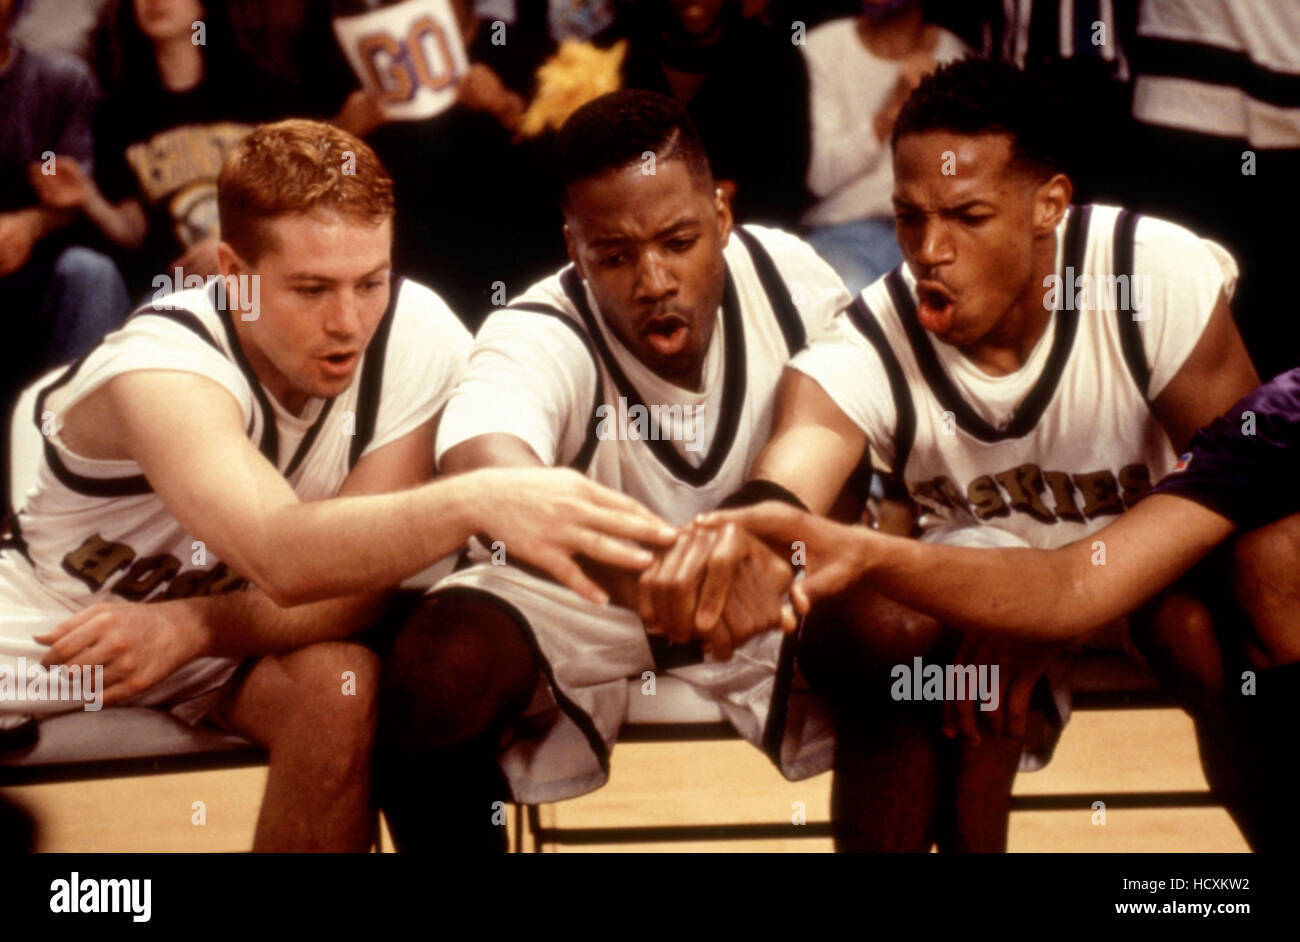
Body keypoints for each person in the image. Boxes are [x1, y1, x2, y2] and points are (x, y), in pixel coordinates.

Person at [633, 57, 1260, 852]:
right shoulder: (868, 339)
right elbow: (791, 470)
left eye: (967, 216)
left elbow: (1248, 499)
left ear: (1049, 207)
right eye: (908, 217)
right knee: (906, 639)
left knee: (1219, 626)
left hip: (1145, 581)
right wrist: (738, 538)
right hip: (977, 597)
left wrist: (1056, 613)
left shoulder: (1144, 274)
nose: (930, 250)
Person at [0, 119, 677, 851]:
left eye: (370, 281)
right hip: (52, 625)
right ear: (234, 274)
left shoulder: (419, 337)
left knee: (339, 687)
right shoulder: (160, 368)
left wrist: (193, 627)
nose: (348, 322)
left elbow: (348, 592)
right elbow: (284, 554)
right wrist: (477, 497)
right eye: (312, 288)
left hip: (226, 636)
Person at [373, 89, 852, 851]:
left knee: (901, 632)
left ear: (722, 217)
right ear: (575, 247)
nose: (653, 279)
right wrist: (658, 570)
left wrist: (766, 548)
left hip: (768, 588)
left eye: (678, 240)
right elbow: (485, 467)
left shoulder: (791, 276)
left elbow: (846, 430)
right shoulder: (536, 330)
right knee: (436, 671)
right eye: (615, 254)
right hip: (596, 594)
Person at [699, 364, 1300, 848]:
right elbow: (1075, 584)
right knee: (1256, 570)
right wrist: (868, 554)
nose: (932, 249)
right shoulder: (1273, 423)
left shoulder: (1160, 282)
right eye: (912, 220)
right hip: (1044, 575)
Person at [0, 0, 129, 403]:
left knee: (91, 274)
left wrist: (29, 224)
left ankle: (80, 447)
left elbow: (76, 189)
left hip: (32, 273)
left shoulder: (60, 81)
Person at [801, 0, 967, 295]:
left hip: (932, 233)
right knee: (847, 302)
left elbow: (959, 175)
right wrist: (892, 109)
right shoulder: (822, 47)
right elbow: (820, 177)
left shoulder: (956, 55)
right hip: (842, 233)